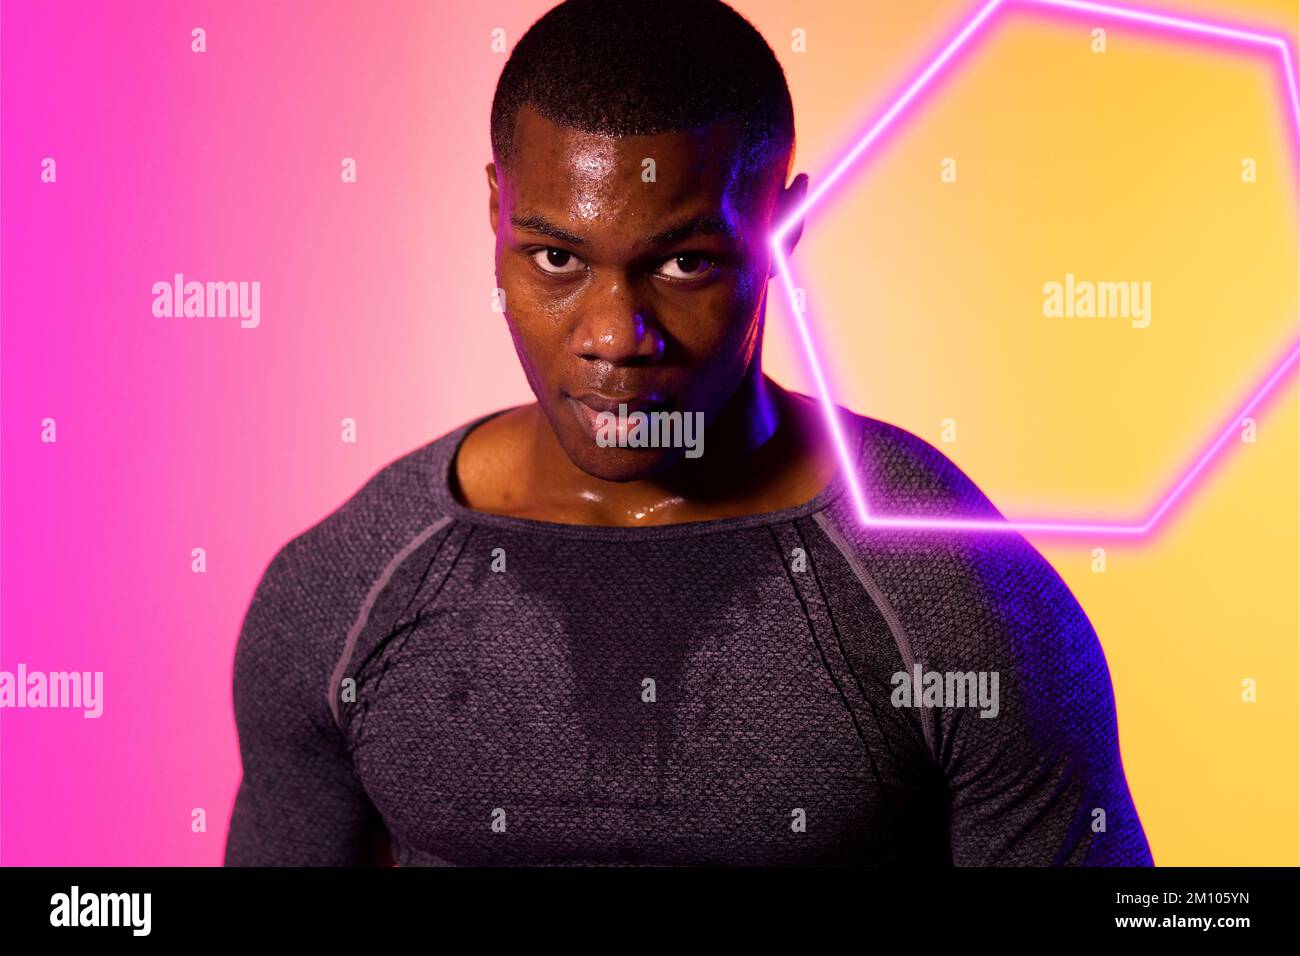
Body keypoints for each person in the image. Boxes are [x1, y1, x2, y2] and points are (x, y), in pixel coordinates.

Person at [225, 0, 1152, 866]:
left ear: (783, 232)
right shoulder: (346, 591)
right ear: (495, 217)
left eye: (683, 261)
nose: (613, 338)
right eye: (557, 258)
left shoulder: (952, 592)